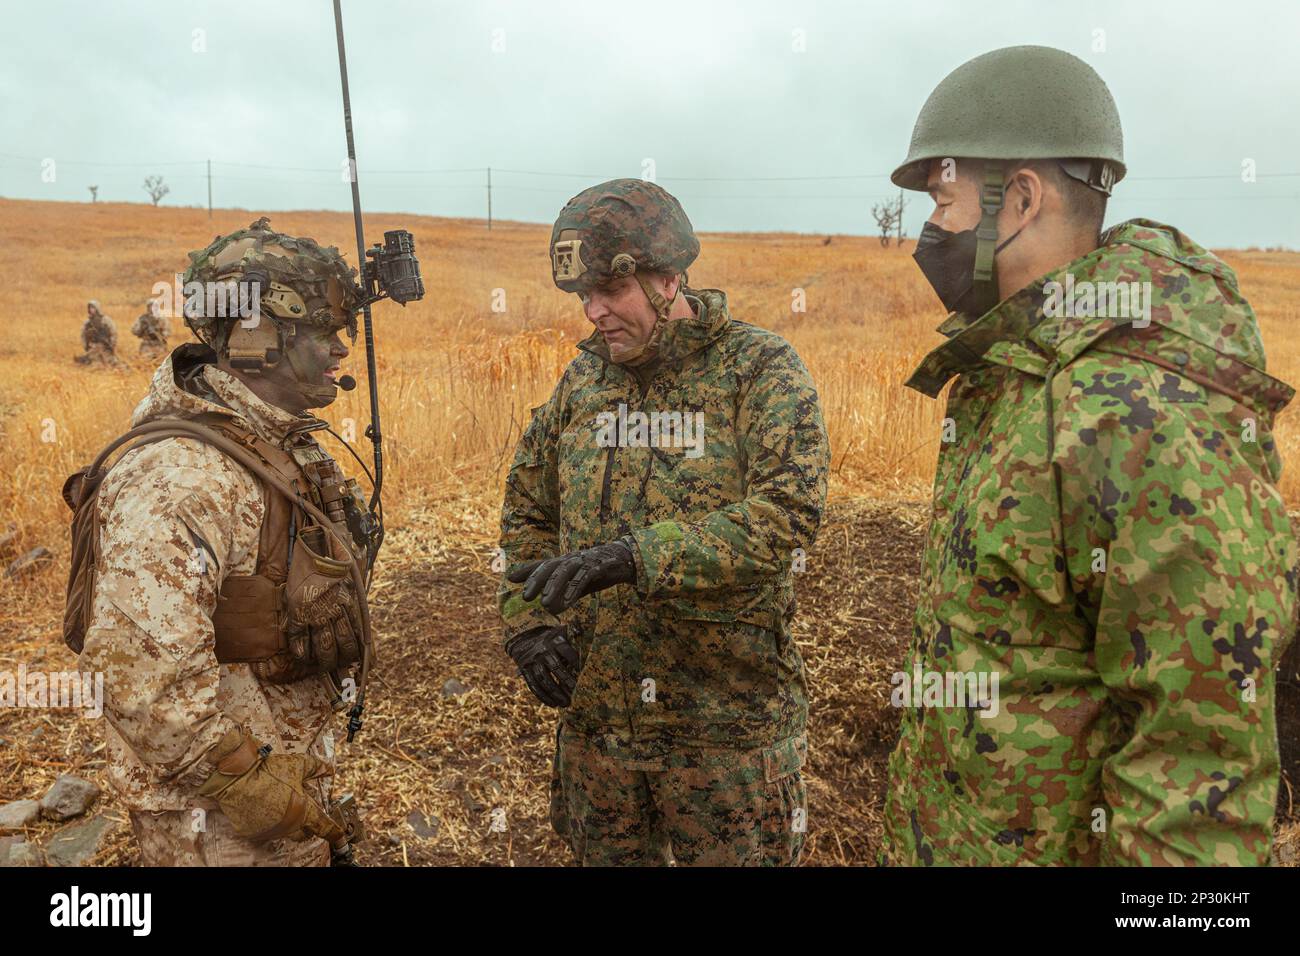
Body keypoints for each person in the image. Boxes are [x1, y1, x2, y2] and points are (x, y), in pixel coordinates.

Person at [882, 45, 1297, 866]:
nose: (931, 227)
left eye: (944, 198)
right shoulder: (1016, 373)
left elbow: (1196, 768)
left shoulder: (1138, 408)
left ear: (1021, 198)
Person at [498, 179, 831, 866]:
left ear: (668, 278)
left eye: (608, 292)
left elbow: (786, 514)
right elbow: (527, 508)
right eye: (582, 297)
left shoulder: (760, 370)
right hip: (601, 739)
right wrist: (526, 621)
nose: (593, 312)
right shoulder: (582, 384)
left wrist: (636, 557)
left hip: (724, 739)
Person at [75, 218, 375, 865]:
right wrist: (253, 784)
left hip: (273, 782)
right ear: (257, 337)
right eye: (324, 331)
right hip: (214, 822)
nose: (342, 350)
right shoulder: (181, 473)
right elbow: (136, 678)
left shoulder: (269, 444)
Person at [75, 300, 124, 367]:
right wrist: (86, 347)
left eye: (93, 307)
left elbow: (113, 333)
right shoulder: (88, 323)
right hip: (93, 347)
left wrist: (112, 345)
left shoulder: (106, 320)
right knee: (92, 363)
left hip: (105, 347)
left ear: (97, 308)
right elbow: (83, 335)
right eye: (90, 308)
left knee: (114, 363)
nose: (91, 309)